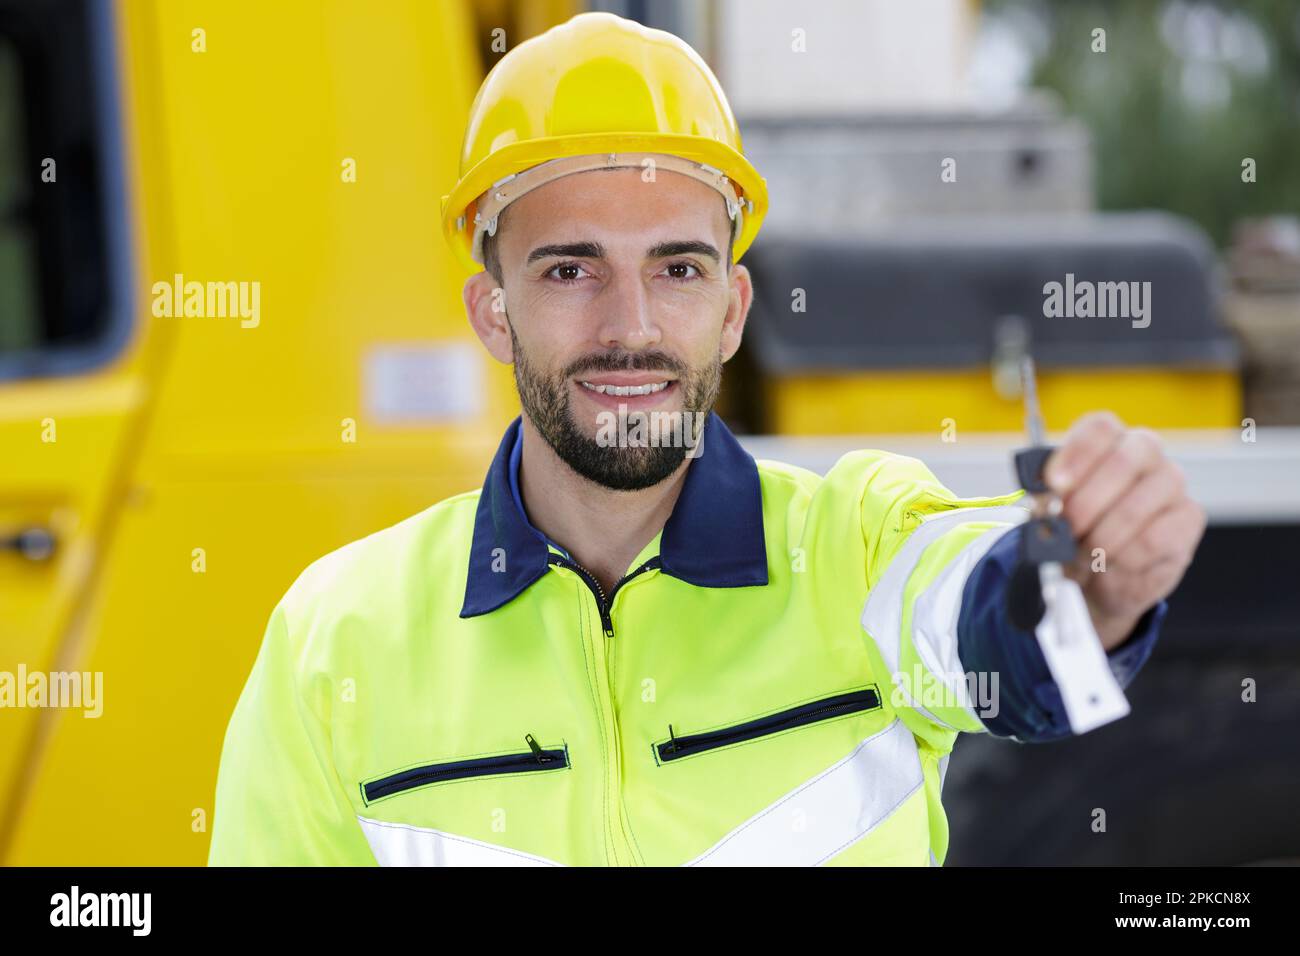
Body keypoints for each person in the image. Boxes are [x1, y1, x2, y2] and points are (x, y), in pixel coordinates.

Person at [208, 11, 1204, 866]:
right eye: (568, 269)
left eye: (677, 268)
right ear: (491, 310)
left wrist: (1094, 589)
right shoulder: (332, 641)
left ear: (731, 310)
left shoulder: (855, 548)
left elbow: (990, 615)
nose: (631, 324)